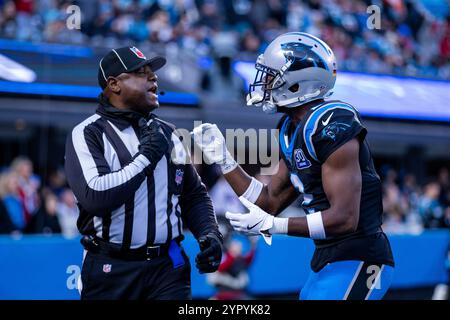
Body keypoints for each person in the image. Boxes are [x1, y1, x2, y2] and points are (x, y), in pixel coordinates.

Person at [193, 32, 395, 300]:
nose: (264, 82)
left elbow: (345, 219)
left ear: (297, 84)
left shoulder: (332, 122)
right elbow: (269, 201)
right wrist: (223, 158)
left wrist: (274, 225)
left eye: (271, 75)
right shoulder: (291, 130)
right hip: (328, 258)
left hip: (361, 257)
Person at [64, 46, 222, 300]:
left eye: (152, 72)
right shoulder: (88, 133)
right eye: (140, 72)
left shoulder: (168, 134)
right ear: (114, 84)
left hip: (167, 268)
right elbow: (95, 196)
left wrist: (210, 233)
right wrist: (146, 157)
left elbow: (193, 195)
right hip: (111, 268)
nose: (154, 78)